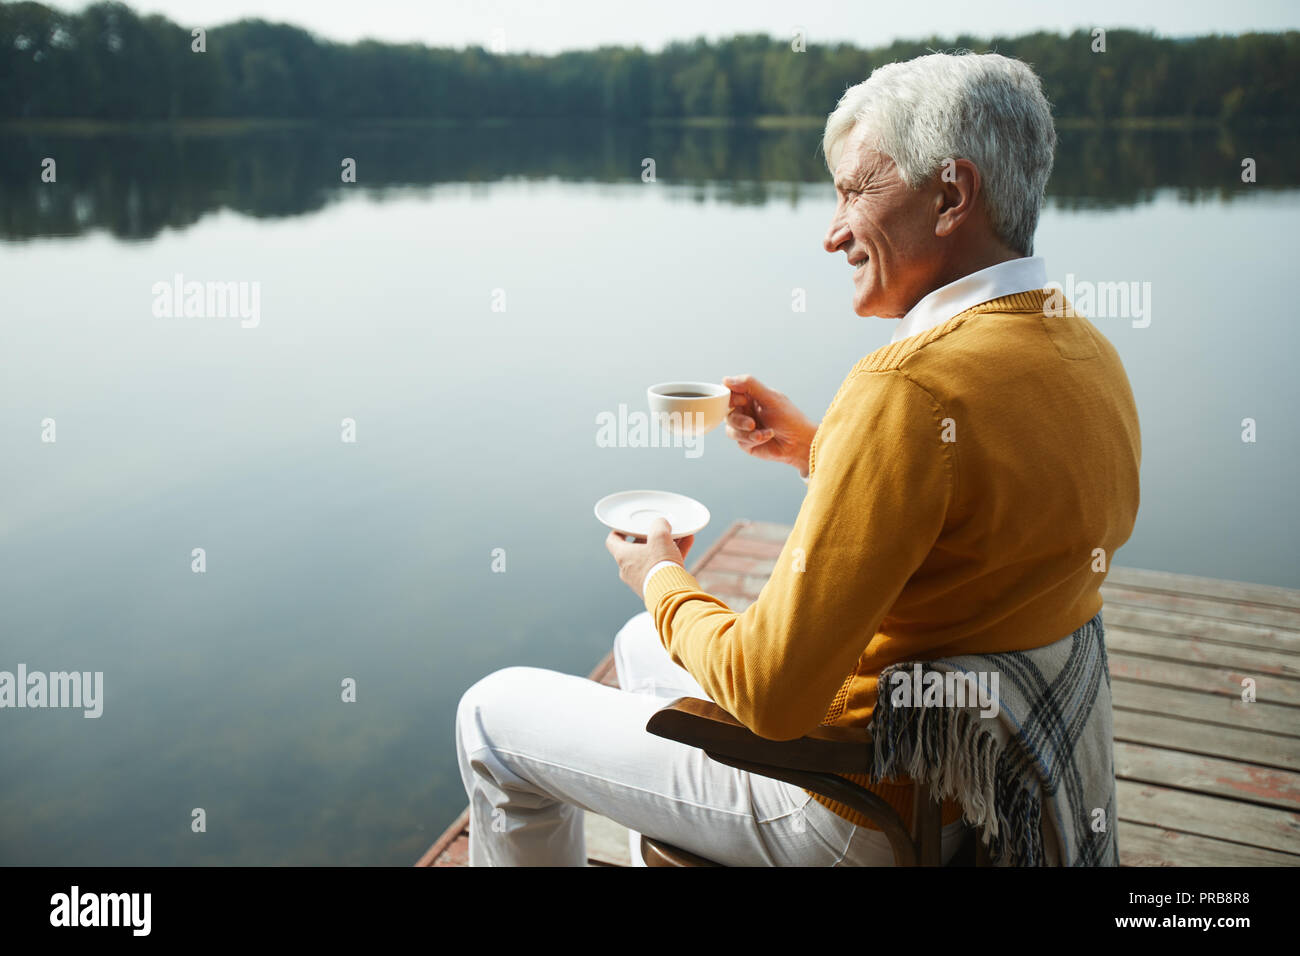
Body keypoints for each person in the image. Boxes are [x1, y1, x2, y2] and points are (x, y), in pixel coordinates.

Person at [455, 50, 1141, 866]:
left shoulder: (908, 385)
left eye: (857, 190)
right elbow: (982, 520)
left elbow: (774, 698)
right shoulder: (1080, 345)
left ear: (952, 195)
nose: (834, 232)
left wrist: (664, 576)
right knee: (642, 649)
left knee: (493, 714)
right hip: (980, 773)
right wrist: (823, 451)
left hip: (860, 805)